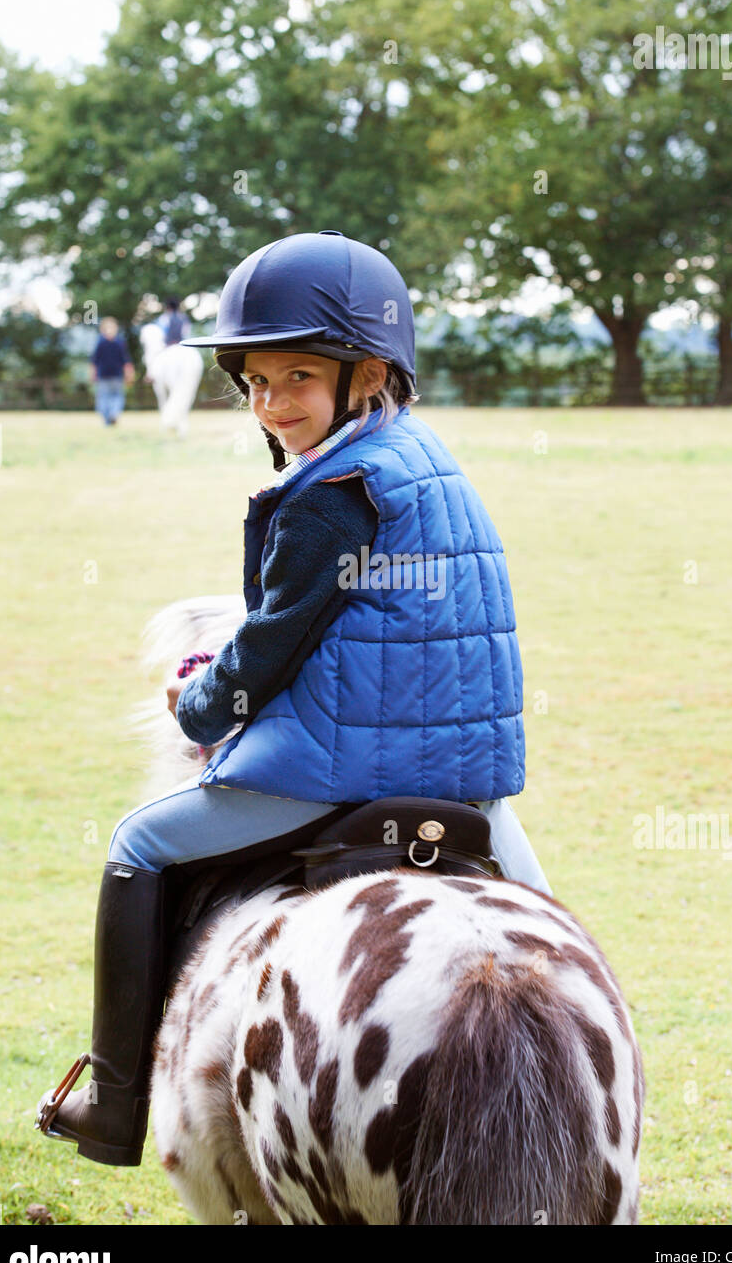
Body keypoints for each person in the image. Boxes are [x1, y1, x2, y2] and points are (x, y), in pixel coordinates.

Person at [36, 229, 551, 1168]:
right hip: (468, 776)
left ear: (365, 372)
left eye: (300, 379)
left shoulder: (330, 493)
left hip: (342, 766)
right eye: (257, 382)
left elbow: (272, 640)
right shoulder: (417, 452)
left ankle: (112, 1104)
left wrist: (197, 707)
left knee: (139, 844)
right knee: (552, 939)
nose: (274, 406)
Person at [89, 317, 134, 424]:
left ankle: (109, 418)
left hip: (109, 376)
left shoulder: (102, 342)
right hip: (111, 376)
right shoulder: (118, 342)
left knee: (106, 398)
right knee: (113, 398)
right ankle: (113, 415)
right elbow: (126, 362)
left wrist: (92, 375)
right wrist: (129, 375)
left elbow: (94, 362)